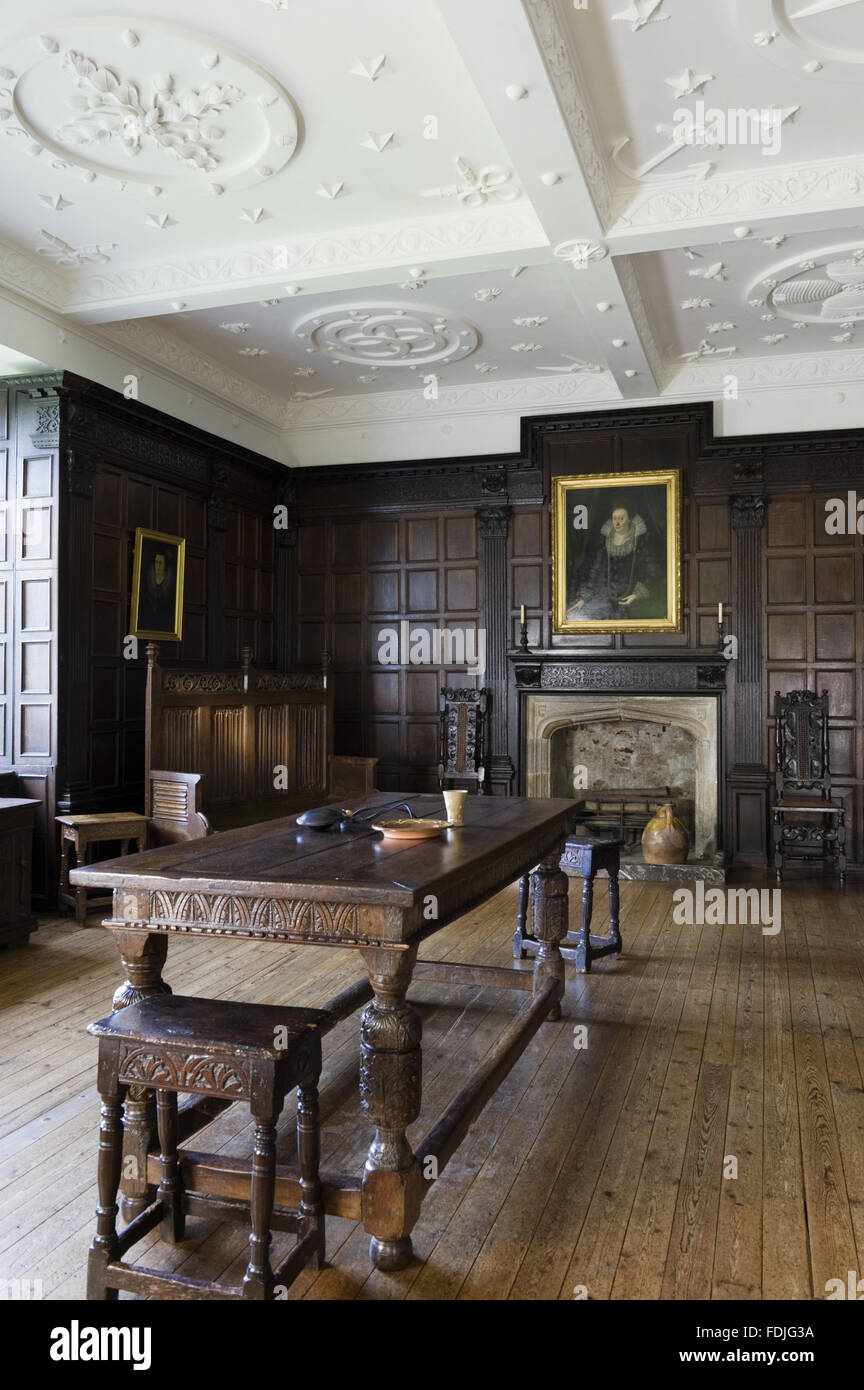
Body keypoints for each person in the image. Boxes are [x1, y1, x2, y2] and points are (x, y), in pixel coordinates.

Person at [567, 502, 661, 621]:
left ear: (629, 520)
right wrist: (583, 599)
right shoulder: (604, 542)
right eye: (615, 518)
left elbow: (653, 572)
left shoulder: (640, 543)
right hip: (605, 602)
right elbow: (594, 572)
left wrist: (637, 594)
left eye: (621, 518)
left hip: (634, 603)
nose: (617, 522)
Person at [137, 547, 176, 632]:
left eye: (161, 563)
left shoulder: (171, 584)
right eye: (156, 562)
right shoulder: (147, 581)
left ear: (165, 565)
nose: (158, 566)